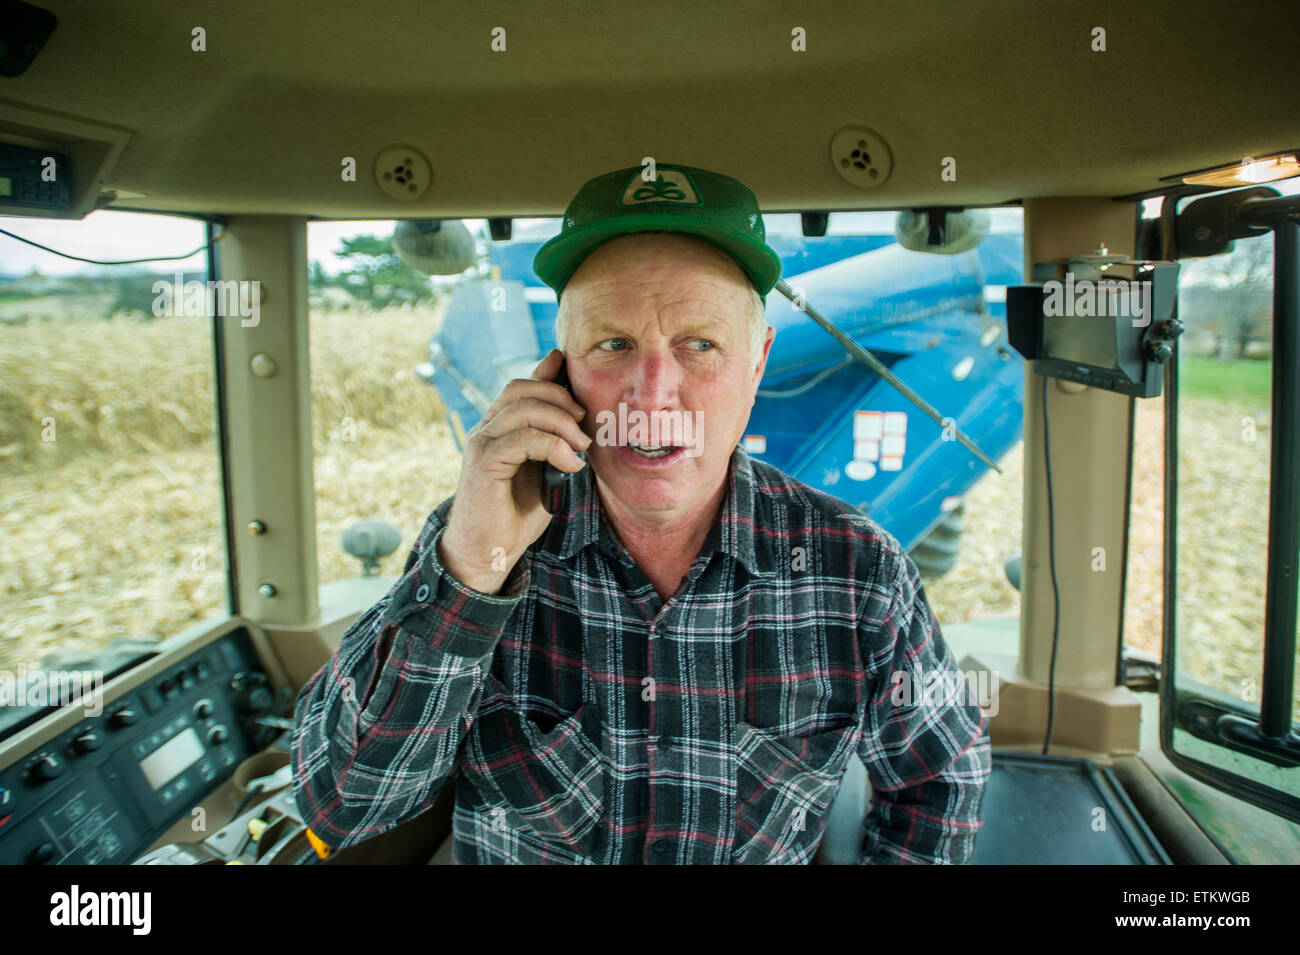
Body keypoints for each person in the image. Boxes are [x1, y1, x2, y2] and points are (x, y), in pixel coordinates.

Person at [291, 162, 990, 864]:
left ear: (757, 367)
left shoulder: (856, 570)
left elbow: (940, 781)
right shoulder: (484, 541)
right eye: (613, 344)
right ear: (559, 373)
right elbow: (346, 805)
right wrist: (470, 572)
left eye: (701, 344)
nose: (653, 397)